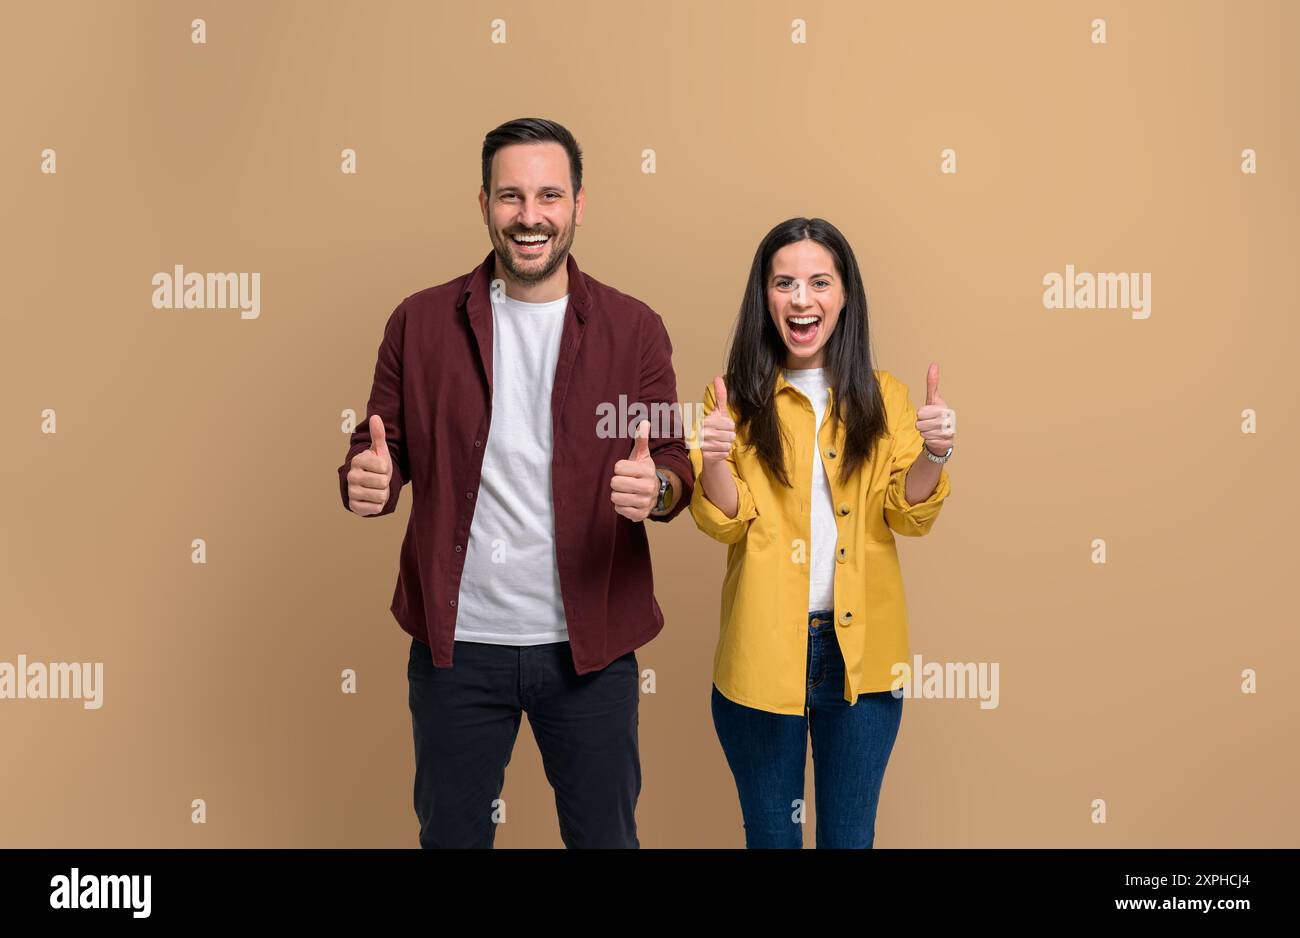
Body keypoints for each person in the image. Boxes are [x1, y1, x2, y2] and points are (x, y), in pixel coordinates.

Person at [337, 117, 694, 848]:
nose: (530, 217)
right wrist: (366, 478)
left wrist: (655, 489)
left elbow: (673, 461)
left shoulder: (634, 330)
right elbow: (379, 446)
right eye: (511, 197)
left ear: (578, 206)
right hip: (459, 647)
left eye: (548, 196)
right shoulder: (421, 322)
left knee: (606, 840)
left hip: (590, 647)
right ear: (483, 204)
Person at [687, 216, 956, 848]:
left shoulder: (885, 399)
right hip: (761, 653)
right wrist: (716, 460)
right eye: (784, 283)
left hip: (860, 663)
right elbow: (728, 523)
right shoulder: (731, 400)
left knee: (849, 838)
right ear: (766, 297)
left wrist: (935, 454)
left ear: (844, 296)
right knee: (772, 840)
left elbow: (905, 514)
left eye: (818, 282)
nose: (801, 298)